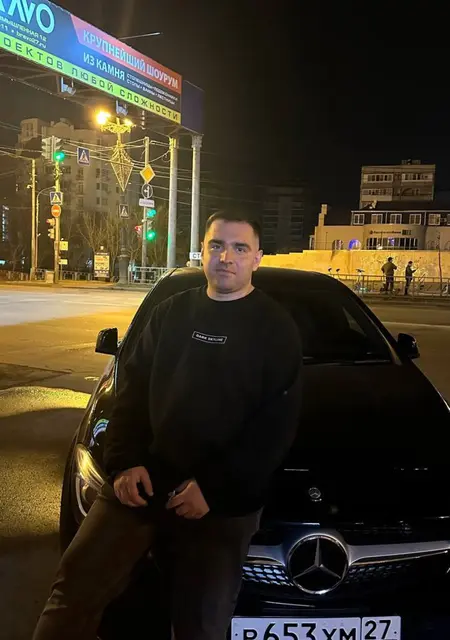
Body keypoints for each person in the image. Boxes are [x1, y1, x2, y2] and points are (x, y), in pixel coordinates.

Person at [32, 210, 303, 640]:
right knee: (73, 592)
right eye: (217, 245)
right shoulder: (170, 314)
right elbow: (130, 394)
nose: (226, 257)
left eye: (240, 248)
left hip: (222, 502)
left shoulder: (275, 328)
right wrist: (124, 463)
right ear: (202, 251)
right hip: (144, 482)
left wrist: (213, 488)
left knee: (201, 625)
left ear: (257, 258)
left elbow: (274, 426)